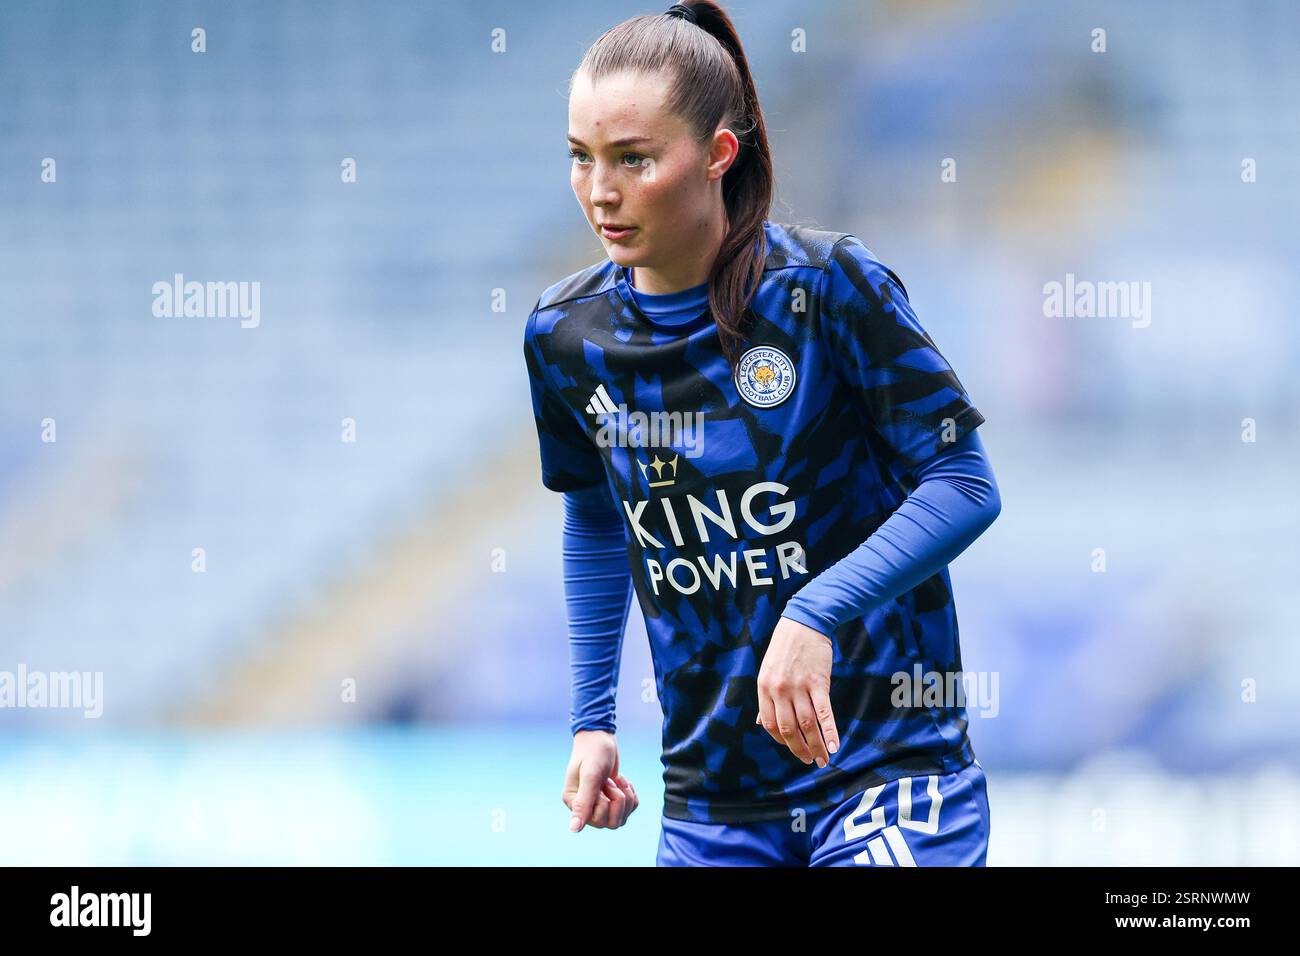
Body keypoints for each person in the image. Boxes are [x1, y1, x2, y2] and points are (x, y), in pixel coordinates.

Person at [522, 0, 1001, 866]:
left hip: (887, 773)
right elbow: (596, 516)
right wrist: (592, 720)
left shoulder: (826, 289)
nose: (600, 190)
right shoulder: (565, 337)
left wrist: (816, 608)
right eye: (581, 158)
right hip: (714, 804)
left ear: (717, 154)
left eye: (633, 158)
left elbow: (965, 485)